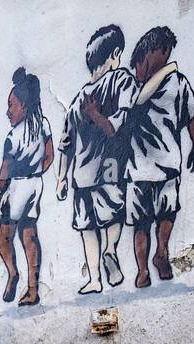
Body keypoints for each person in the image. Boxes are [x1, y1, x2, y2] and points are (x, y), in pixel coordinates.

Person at [83, 26, 194, 288]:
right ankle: (142, 270)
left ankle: (161, 253)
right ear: (149, 51)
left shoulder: (177, 82)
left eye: (168, 53)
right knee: (140, 223)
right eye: (163, 52)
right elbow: (113, 126)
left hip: (169, 164)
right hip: (137, 170)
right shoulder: (129, 87)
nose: (166, 57)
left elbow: (193, 114)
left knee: (167, 214)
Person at [57, 24, 137, 294]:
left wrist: (60, 179)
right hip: (110, 165)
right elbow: (116, 125)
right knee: (113, 214)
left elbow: (66, 145)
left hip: (81, 173)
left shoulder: (78, 98)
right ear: (115, 54)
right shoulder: (122, 80)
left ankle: (94, 279)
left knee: (86, 227)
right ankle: (111, 249)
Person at [0, 68, 53, 307]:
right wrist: (38, 171)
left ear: (24, 106)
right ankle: (33, 289)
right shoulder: (43, 124)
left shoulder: (13, 136)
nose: (8, 111)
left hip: (17, 188)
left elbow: (5, 169)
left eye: (11, 105)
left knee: (3, 238)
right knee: (30, 237)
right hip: (35, 185)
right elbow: (49, 155)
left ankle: (12, 272)